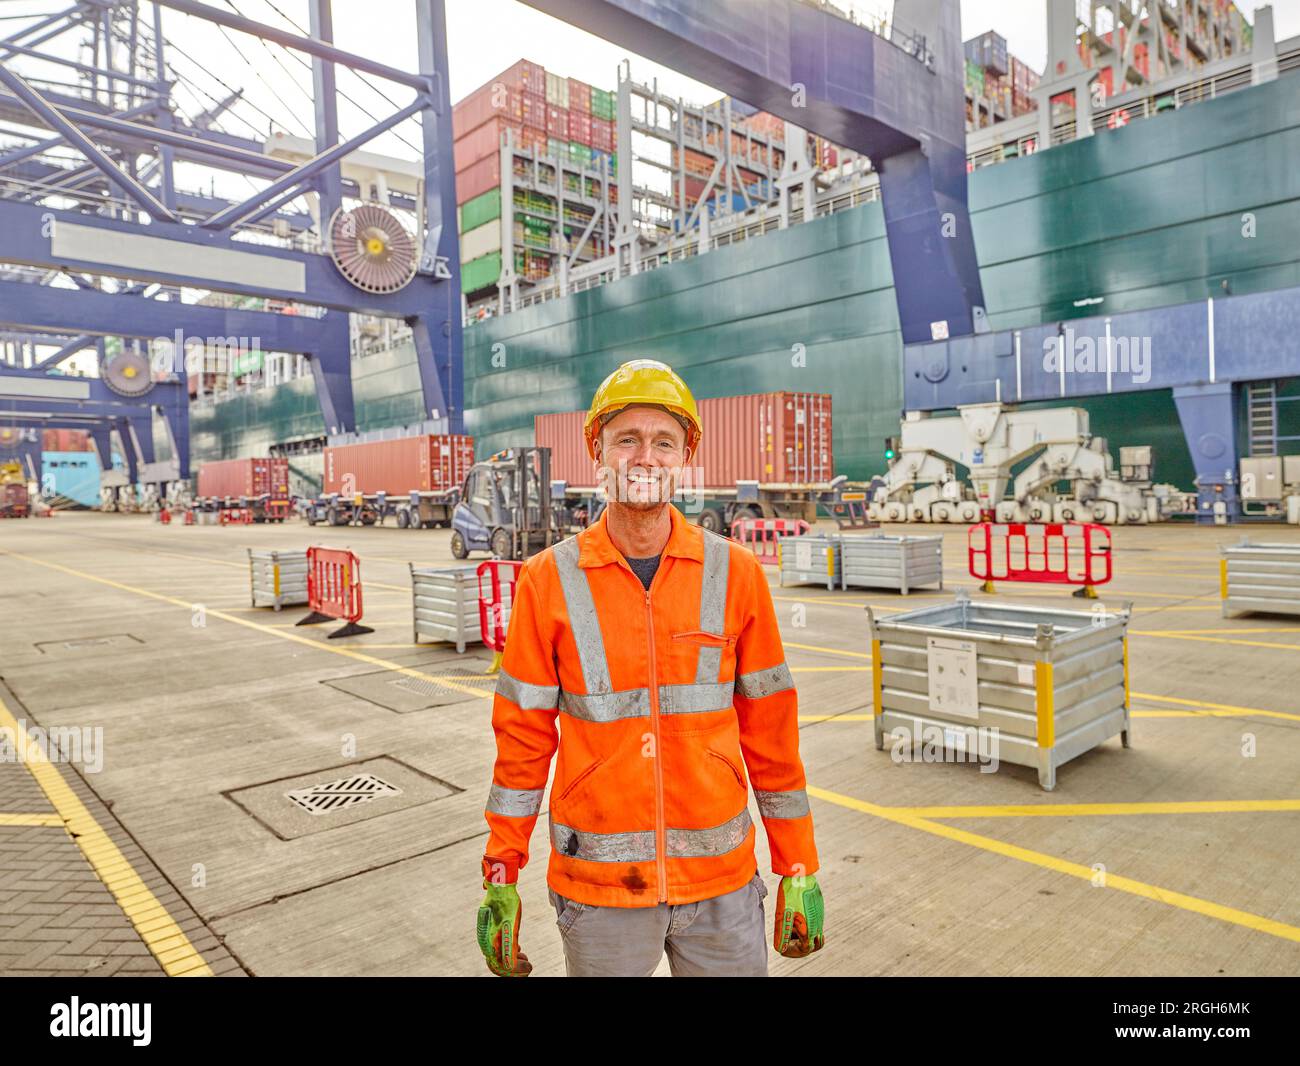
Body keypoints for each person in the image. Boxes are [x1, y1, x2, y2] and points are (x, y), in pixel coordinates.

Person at [476, 358, 823, 977]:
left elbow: (771, 732)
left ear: (685, 456)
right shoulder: (546, 581)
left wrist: (797, 862)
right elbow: (522, 740)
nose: (645, 457)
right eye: (626, 440)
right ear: (598, 454)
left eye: (665, 442)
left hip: (720, 886)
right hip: (599, 893)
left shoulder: (735, 573)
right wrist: (502, 869)